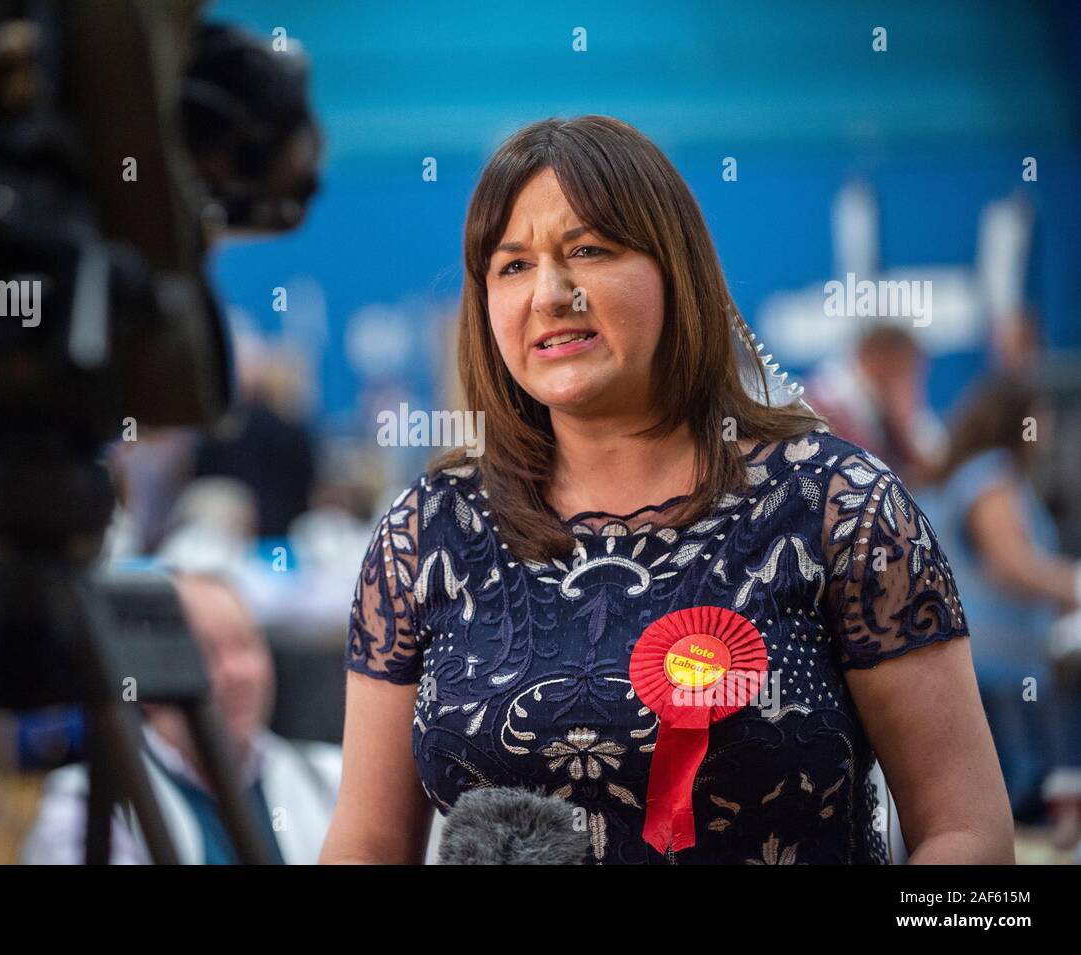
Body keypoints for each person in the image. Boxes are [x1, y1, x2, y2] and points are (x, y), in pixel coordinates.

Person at [321, 116, 1010, 865]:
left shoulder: (837, 507)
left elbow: (968, 836)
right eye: (512, 265)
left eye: (588, 250)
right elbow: (367, 842)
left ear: (673, 270)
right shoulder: (427, 531)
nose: (551, 294)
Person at [23, 571, 342, 864]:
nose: (236, 672)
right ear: (148, 677)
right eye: (205, 652)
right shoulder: (87, 805)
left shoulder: (330, 778)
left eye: (245, 644)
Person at [926, 376, 1081, 849]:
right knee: (1022, 808)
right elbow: (1010, 562)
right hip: (999, 673)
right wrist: (1073, 583)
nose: (1048, 429)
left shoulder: (977, 473)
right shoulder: (991, 474)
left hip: (1003, 669)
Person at [804, 325, 945, 488]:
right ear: (877, 360)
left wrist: (905, 418)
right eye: (905, 370)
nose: (910, 381)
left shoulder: (894, 400)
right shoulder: (831, 401)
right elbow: (860, 477)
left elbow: (937, 464)